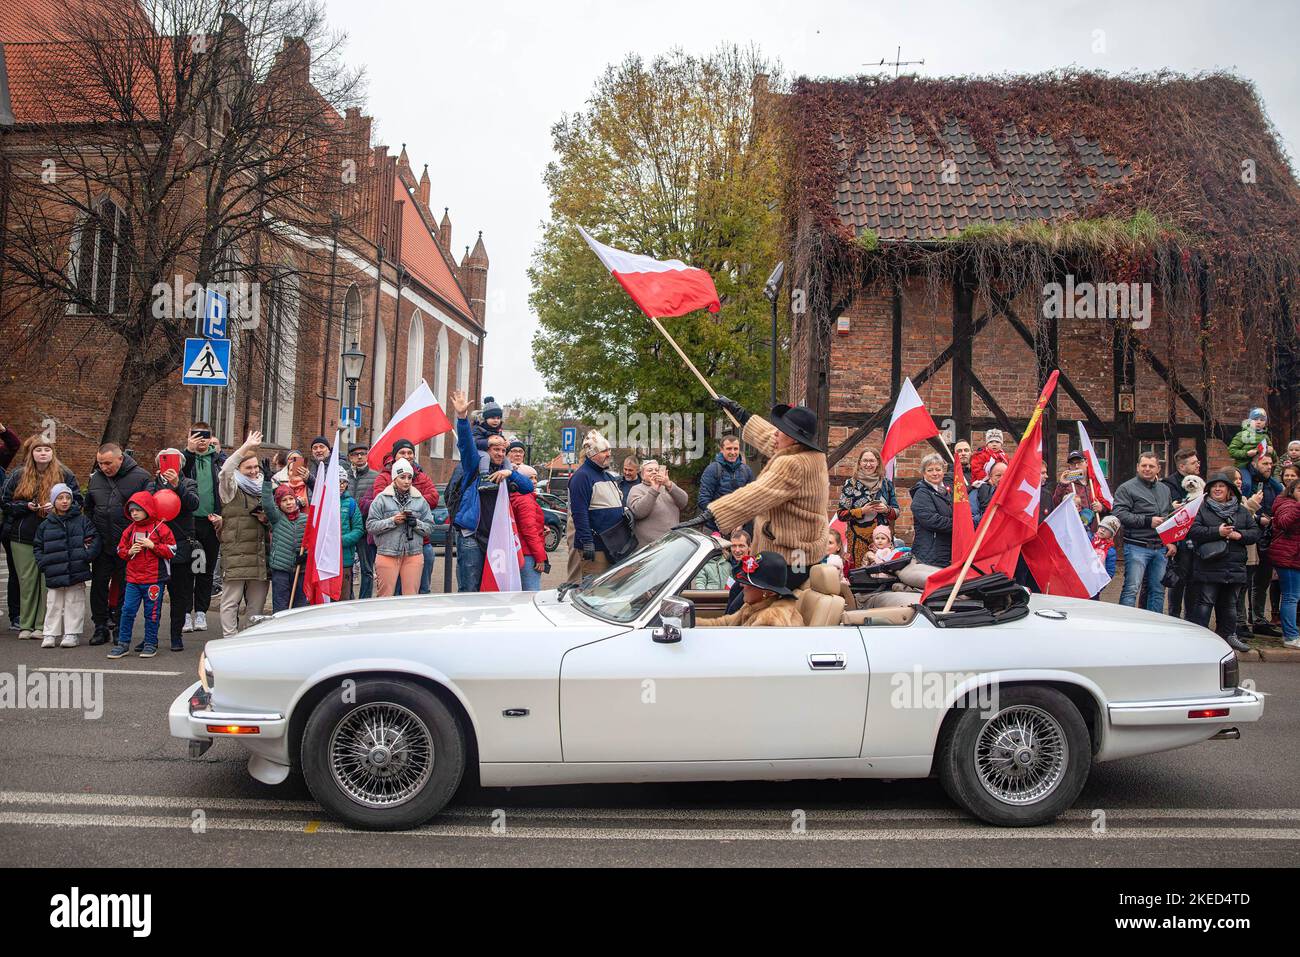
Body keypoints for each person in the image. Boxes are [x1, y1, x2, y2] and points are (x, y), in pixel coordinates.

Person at [695, 397, 829, 589]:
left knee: (751, 602)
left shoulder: (794, 464)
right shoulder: (807, 454)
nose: (775, 434)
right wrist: (741, 414)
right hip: (798, 553)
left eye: (781, 431)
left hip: (793, 558)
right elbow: (769, 438)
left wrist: (712, 513)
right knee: (740, 595)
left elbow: (757, 494)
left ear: (792, 437)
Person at [448, 390, 535, 590]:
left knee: (492, 590)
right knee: (470, 588)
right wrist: (461, 418)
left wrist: (510, 474)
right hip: (471, 535)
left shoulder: (506, 470)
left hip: (497, 538)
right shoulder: (475, 464)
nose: (499, 452)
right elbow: (466, 445)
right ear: (487, 450)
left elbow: (528, 487)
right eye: (495, 449)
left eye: (503, 450)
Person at [2, 437, 81, 640]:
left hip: (53, 535)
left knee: (48, 582)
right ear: (31, 453)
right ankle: (25, 625)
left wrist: (56, 506)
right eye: (38, 450)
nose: (43, 453)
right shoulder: (18, 474)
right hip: (22, 535)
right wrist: (25, 506)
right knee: (27, 582)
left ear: (52, 452)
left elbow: (77, 502)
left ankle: (42, 625)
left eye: (47, 449)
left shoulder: (65, 474)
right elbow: (5, 503)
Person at [84, 442, 150, 644]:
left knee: (125, 588)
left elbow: (148, 511)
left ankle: (121, 626)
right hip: (102, 543)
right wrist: (89, 535)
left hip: (128, 545)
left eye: (108, 463)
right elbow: (88, 508)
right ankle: (100, 626)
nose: (104, 467)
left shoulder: (141, 477)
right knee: (99, 586)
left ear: (120, 459)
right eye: (100, 463)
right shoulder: (96, 479)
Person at [1186, 472, 1259, 652]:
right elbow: (1193, 531)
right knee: (1205, 603)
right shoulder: (1201, 509)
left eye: (1222, 486)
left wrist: (1239, 535)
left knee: (1230, 605)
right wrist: (1216, 531)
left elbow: (1255, 532)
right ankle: (1200, 637)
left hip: (1234, 566)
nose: (1217, 489)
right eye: (1214, 486)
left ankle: (1229, 636)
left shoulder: (1241, 510)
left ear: (1229, 490)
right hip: (1209, 565)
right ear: (1208, 490)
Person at [361, 439, 441, 594]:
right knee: (387, 595)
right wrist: (393, 520)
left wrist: (416, 523)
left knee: (415, 594)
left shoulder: (420, 495)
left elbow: (432, 510)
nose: (406, 481)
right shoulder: (382, 492)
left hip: (415, 550)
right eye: (402, 477)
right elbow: (371, 524)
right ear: (393, 478)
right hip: (388, 550)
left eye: (409, 478)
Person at [107, 491, 176, 659]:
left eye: (137, 510)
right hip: (133, 579)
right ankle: (123, 644)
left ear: (147, 508)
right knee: (127, 610)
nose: (134, 514)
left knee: (151, 613)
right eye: (131, 511)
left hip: (154, 580)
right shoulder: (129, 530)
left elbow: (172, 550)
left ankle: (150, 643)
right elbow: (120, 549)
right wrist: (129, 551)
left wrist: (153, 546)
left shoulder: (161, 528)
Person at [216, 432, 271, 637]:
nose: (254, 471)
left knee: (256, 606)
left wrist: (267, 519)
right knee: (231, 602)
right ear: (239, 469)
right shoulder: (230, 488)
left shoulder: (266, 486)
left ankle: (248, 640)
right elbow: (225, 471)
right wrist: (245, 447)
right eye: (248, 467)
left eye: (256, 467)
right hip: (237, 553)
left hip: (260, 553)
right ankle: (229, 639)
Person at [32, 483, 99, 648]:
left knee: (74, 602)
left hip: (76, 569)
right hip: (54, 570)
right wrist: (43, 563)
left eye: (67, 498)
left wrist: (86, 556)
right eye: (60, 498)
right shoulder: (46, 524)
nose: (64, 501)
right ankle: (50, 633)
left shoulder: (82, 520)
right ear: (53, 501)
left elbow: (94, 538)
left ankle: (71, 633)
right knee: (53, 603)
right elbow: (38, 546)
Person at [147, 450, 201, 652]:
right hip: (155, 548)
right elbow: (144, 509)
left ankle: (176, 636)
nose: (169, 466)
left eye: (174, 461)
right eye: (164, 461)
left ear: (181, 464)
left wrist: (177, 485)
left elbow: (194, 504)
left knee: (179, 597)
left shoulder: (188, 483)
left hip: (181, 546)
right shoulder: (152, 485)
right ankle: (150, 637)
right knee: (153, 597)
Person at [1113, 451, 1175, 612]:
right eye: (1144, 465)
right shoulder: (1126, 488)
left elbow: (1167, 516)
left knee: (1158, 591)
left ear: (1158, 468)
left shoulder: (1164, 489)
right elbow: (1120, 514)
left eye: (1151, 466)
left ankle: (1154, 627)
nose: (1147, 469)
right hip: (1136, 546)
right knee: (1131, 589)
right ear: (1137, 467)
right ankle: (1125, 624)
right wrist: (1148, 521)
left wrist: (1170, 541)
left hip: (1160, 548)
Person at [563, 427, 624, 584]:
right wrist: (587, 542)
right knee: (595, 593)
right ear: (592, 454)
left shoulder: (607, 475)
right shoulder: (582, 477)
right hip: (596, 548)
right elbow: (579, 513)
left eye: (609, 450)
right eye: (604, 451)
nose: (608, 454)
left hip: (611, 546)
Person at [180, 424, 225, 634]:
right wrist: (189, 450)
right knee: (188, 568)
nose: (202, 440)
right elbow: (178, 475)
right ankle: (185, 612)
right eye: (197, 436)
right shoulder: (183, 458)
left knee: (206, 569)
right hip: (189, 522)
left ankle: (201, 612)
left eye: (206, 437)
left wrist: (221, 514)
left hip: (211, 521)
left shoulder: (217, 460)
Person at [697, 551, 804, 628]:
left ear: (768, 592)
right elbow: (724, 623)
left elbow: (750, 654)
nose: (742, 586)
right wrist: (690, 623)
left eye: (748, 583)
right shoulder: (755, 605)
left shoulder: (769, 620)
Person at [836, 446, 898, 568]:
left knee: (882, 571)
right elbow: (841, 514)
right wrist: (862, 511)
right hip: (858, 539)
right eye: (865, 461)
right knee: (860, 573)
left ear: (877, 463)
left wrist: (886, 510)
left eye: (872, 461)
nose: (868, 464)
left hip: (882, 539)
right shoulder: (851, 484)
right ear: (859, 463)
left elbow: (896, 513)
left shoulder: (886, 484)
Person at [1245, 451, 1283, 636]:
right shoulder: (1247, 481)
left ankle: (1259, 619)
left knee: (1263, 580)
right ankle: (1243, 621)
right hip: (1251, 536)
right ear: (1254, 464)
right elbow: (1243, 506)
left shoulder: (1271, 484)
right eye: (1265, 463)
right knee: (1246, 582)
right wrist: (1259, 518)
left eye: (1271, 464)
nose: (1269, 466)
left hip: (1268, 537)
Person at [262, 481, 309, 613]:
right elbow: (267, 504)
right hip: (281, 570)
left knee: (300, 606)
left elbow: (312, 542)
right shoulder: (277, 518)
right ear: (279, 504)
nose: (289, 503)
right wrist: (266, 483)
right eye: (284, 500)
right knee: (281, 605)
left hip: (300, 570)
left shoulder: (306, 519)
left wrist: (307, 555)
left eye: (291, 499)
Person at [1266, 479, 1300, 649]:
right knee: (1291, 596)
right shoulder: (1287, 504)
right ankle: (1290, 636)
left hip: (1294, 557)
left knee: (1293, 596)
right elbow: (1284, 522)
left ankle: (1293, 632)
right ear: (1291, 491)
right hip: (1288, 557)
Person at [627, 460, 688, 547]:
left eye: (656, 470)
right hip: (651, 546)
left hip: (673, 541)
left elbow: (684, 502)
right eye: (650, 470)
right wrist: (654, 490)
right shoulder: (636, 489)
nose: (654, 472)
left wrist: (669, 484)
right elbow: (638, 513)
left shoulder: (667, 486)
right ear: (642, 474)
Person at [910, 452, 954, 567]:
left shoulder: (948, 492)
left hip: (946, 552)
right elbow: (932, 520)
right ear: (924, 473)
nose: (935, 473)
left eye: (938, 469)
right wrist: (958, 525)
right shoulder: (921, 493)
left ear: (943, 471)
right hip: (930, 554)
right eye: (930, 470)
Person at [510, 464, 549, 590]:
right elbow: (529, 531)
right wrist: (540, 557)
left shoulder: (516, 496)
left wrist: (541, 527)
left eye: (535, 477)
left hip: (520, 551)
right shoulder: (525, 500)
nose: (535, 481)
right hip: (528, 555)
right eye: (530, 478)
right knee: (531, 595)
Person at [346, 442, 378, 599]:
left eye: (362, 454)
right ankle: (348, 599)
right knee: (348, 567)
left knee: (367, 568)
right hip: (347, 530)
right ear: (349, 457)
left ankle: (364, 600)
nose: (359, 457)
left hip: (366, 530)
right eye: (355, 454)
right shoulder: (344, 476)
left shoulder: (375, 476)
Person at [697, 434, 755, 517]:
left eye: (735, 449)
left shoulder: (746, 470)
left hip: (739, 525)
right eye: (729, 449)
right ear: (721, 450)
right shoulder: (713, 469)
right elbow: (703, 500)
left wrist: (742, 521)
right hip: (714, 526)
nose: (732, 452)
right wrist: (724, 519)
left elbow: (752, 498)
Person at [339, 473, 365, 601]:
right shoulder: (324, 502)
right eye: (338, 481)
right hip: (327, 559)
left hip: (345, 559)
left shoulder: (351, 503)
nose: (341, 485)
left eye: (344, 482)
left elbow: (358, 529)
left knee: (344, 597)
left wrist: (340, 541)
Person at [1227, 407, 1271, 480]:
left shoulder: (1265, 437)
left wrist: (1271, 451)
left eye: (1262, 420)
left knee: (1278, 487)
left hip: (1260, 467)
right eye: (1255, 419)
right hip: (1244, 466)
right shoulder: (1242, 434)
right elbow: (1232, 451)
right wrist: (1246, 453)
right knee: (1247, 485)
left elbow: (1273, 457)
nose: (1259, 422)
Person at [1091, 515, 1120, 600]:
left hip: (1094, 585)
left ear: (1111, 535)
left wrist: (1099, 587)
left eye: (1107, 529)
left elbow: (1109, 572)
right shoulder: (1088, 539)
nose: (1103, 530)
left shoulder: (1110, 551)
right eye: (1102, 527)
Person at [971, 460, 1008, 527]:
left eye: (1005, 475)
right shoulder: (977, 492)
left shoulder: (1014, 493)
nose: (1002, 478)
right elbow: (971, 519)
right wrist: (994, 514)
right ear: (990, 477)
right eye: (998, 475)